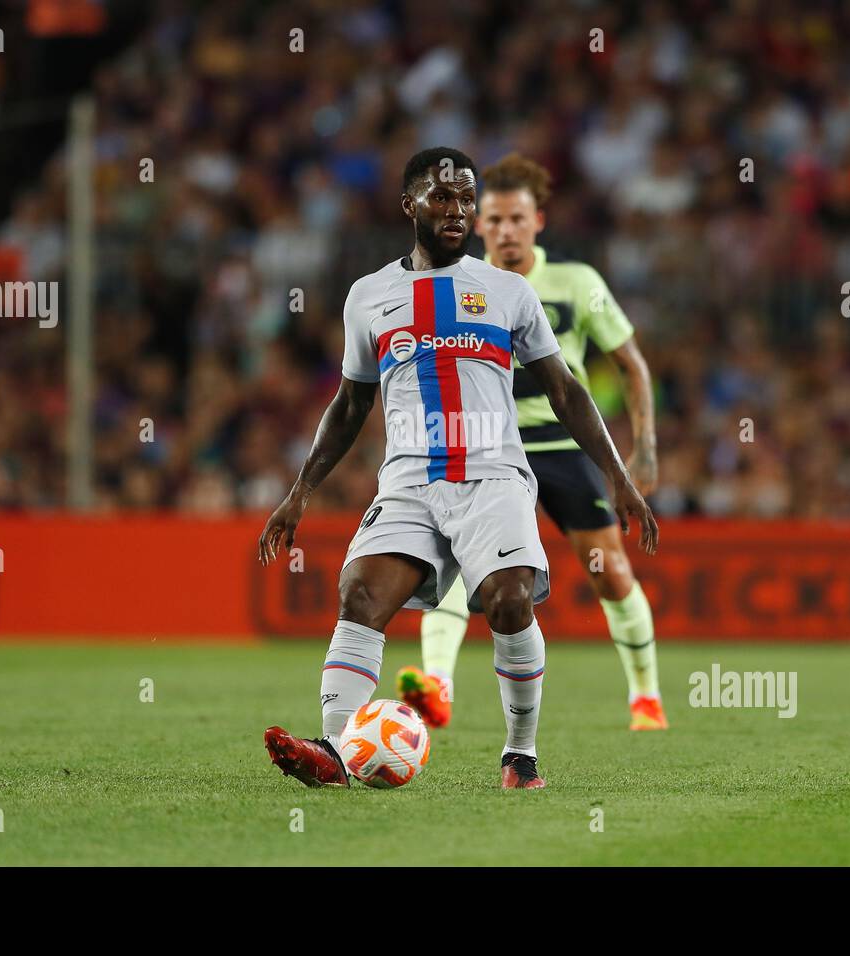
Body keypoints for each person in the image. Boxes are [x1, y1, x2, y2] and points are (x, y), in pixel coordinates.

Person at [258, 147, 659, 790]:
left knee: (507, 599)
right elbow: (351, 402)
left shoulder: (505, 290)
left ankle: (520, 754)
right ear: (407, 204)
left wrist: (618, 475)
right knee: (359, 594)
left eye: (466, 199)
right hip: (409, 479)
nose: (457, 210)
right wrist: (300, 490)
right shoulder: (368, 297)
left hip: (493, 474)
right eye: (441, 197)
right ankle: (333, 750)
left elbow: (566, 390)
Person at [396, 153, 666, 732]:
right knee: (454, 563)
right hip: (487, 445)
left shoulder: (577, 283)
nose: (504, 231)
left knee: (608, 569)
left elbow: (631, 365)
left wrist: (641, 449)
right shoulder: (459, 283)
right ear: (478, 224)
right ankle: (436, 687)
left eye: (516, 219)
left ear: (537, 220)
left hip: (561, 444)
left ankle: (646, 697)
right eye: (492, 220)